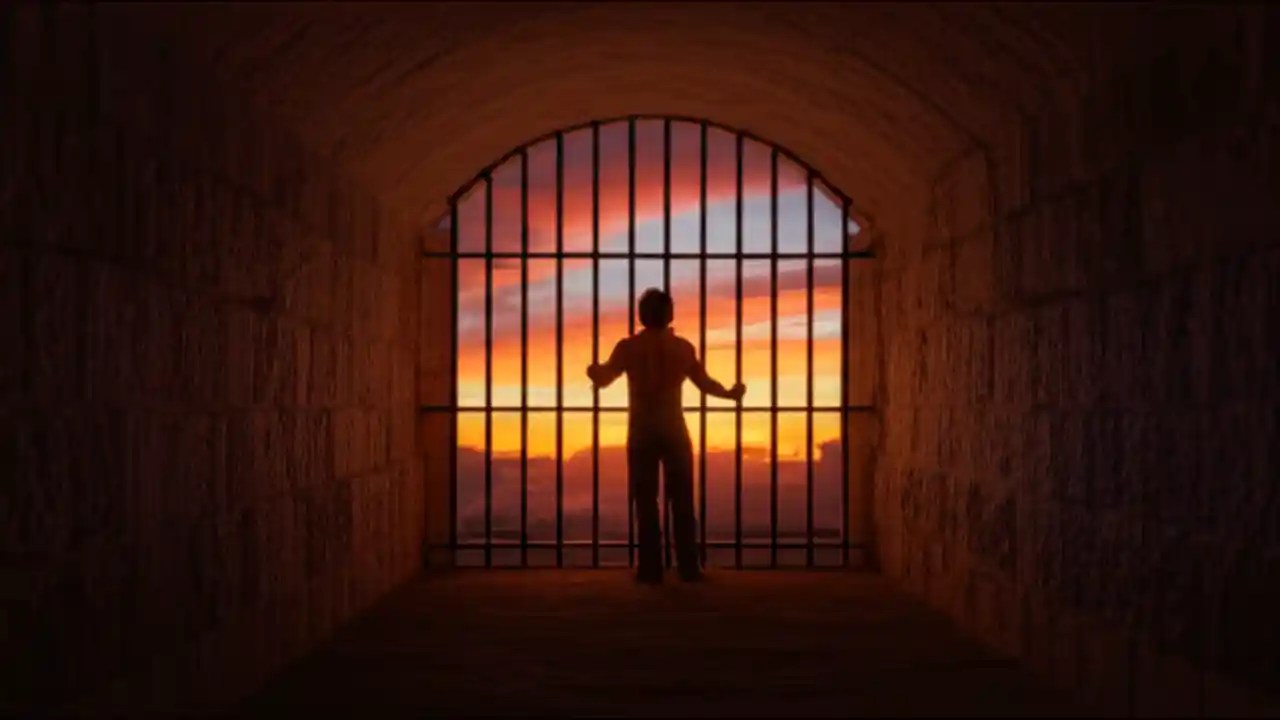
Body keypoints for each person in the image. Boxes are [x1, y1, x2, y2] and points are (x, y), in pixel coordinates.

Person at [587, 288, 746, 584]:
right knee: (682, 499)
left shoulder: (628, 348)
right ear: (669, 314)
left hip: (641, 432)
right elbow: (704, 383)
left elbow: (605, 378)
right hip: (674, 428)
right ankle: (689, 565)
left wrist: (593, 372)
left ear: (641, 315)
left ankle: (650, 567)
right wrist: (729, 394)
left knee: (646, 501)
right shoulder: (683, 348)